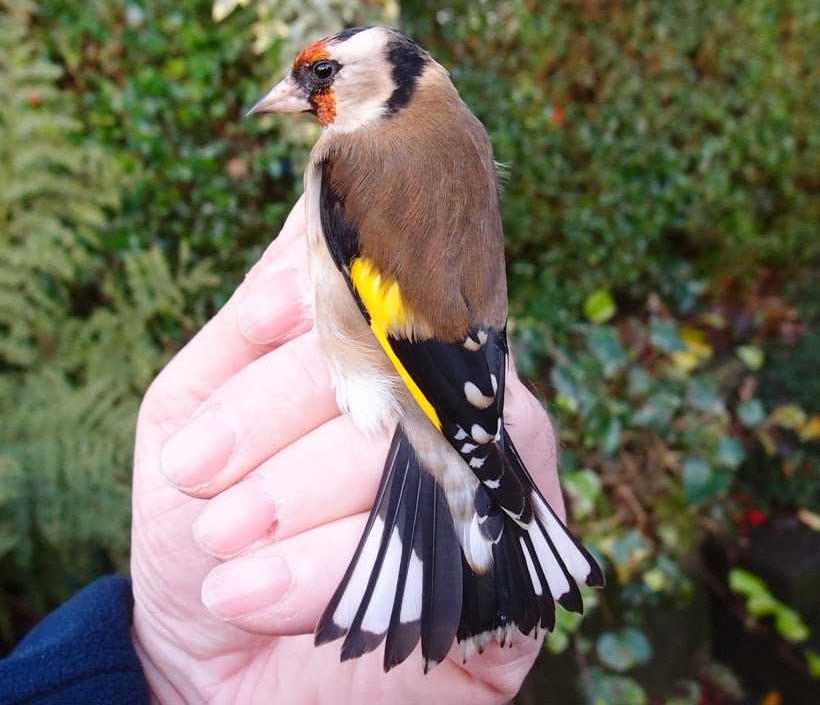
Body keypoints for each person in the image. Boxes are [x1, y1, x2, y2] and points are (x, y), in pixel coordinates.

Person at [1, 199, 568, 704]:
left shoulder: (373, 174)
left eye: (322, 75)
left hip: (425, 405)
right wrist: (170, 677)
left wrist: (167, 675)